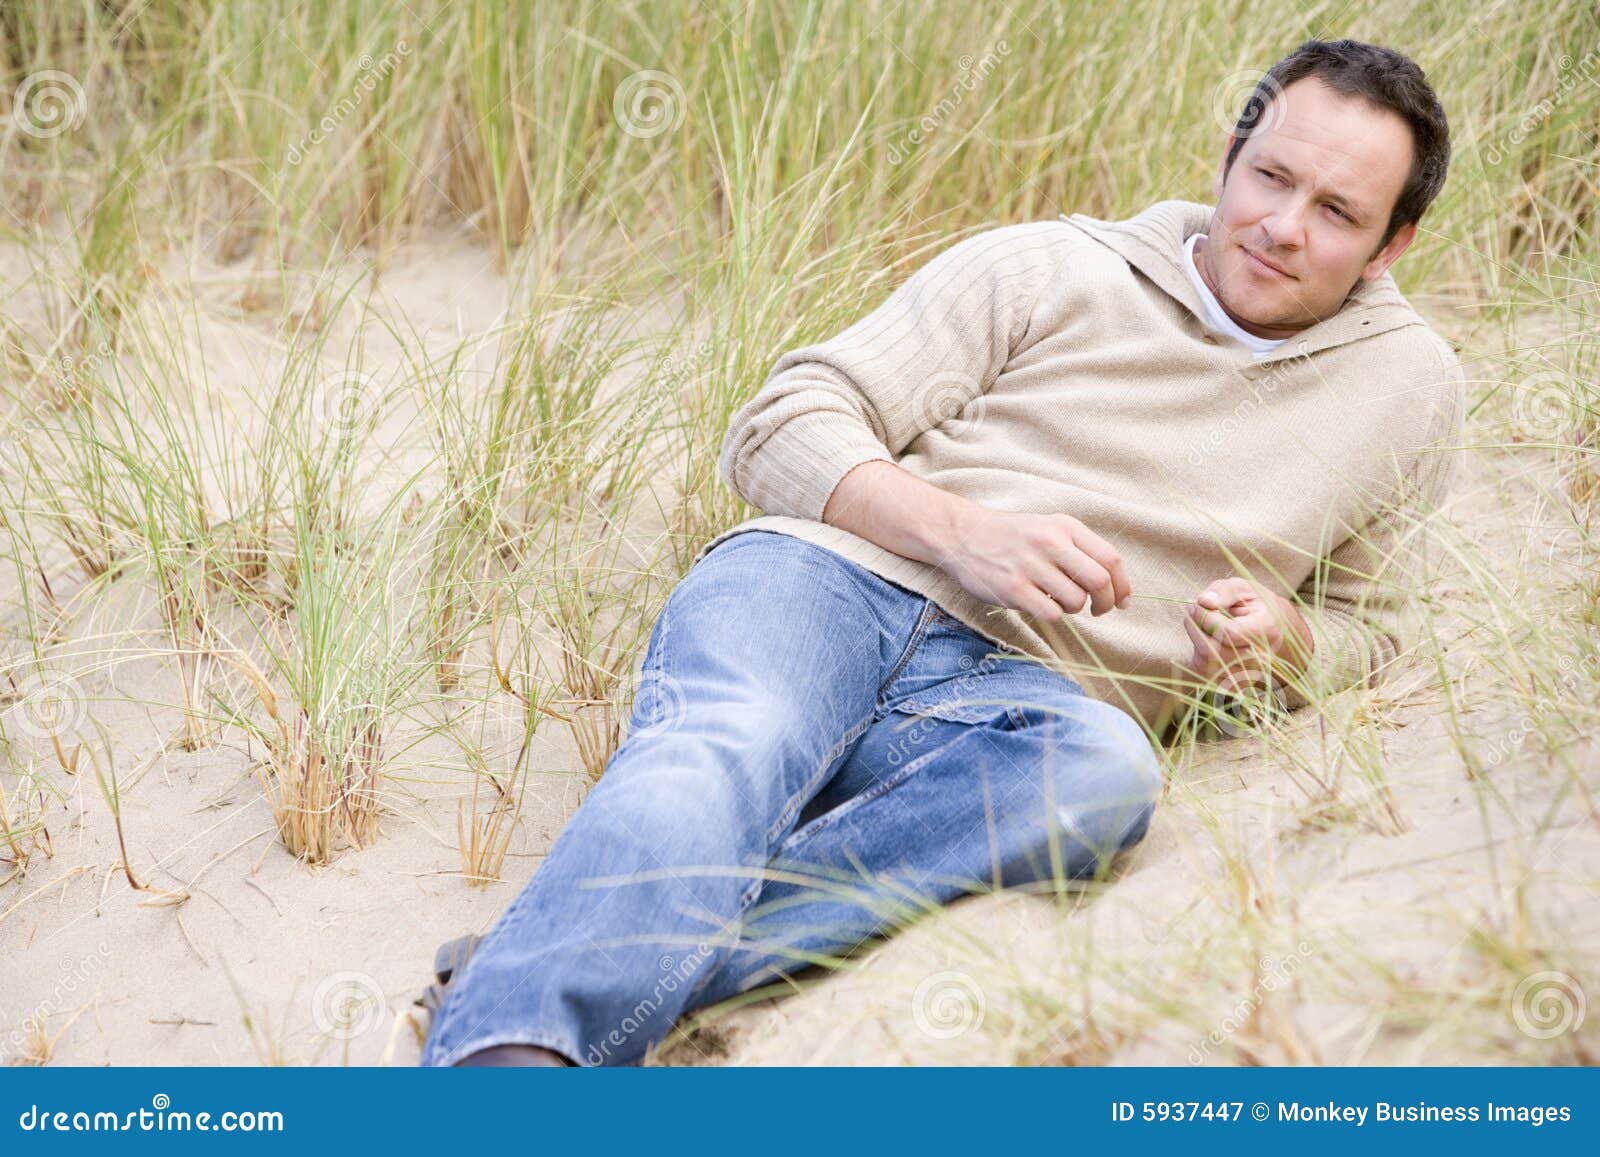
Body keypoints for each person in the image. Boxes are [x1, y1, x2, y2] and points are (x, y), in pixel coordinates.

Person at [420, 38, 1464, 1068]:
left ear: (1390, 245)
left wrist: (1288, 642)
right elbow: (779, 424)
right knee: (735, 740)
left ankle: (536, 965)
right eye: (1270, 177)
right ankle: (512, 1057)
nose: (1281, 226)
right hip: (825, 588)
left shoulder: (1407, 389)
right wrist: (966, 533)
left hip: (1015, 704)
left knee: (1103, 778)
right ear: (1228, 158)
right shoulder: (1054, 264)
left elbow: (1370, 624)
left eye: (1336, 213)